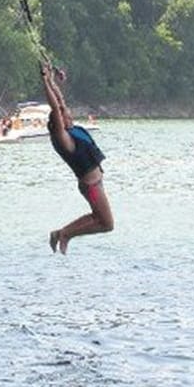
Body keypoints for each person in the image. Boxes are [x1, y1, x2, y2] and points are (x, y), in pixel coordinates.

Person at [41, 62, 115, 254]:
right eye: (63, 115)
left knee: (99, 218)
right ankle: (64, 234)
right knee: (107, 224)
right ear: (59, 123)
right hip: (91, 187)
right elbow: (55, 107)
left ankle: (63, 233)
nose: (67, 113)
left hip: (96, 183)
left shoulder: (72, 129)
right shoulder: (63, 139)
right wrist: (44, 81)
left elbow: (60, 101)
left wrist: (51, 79)